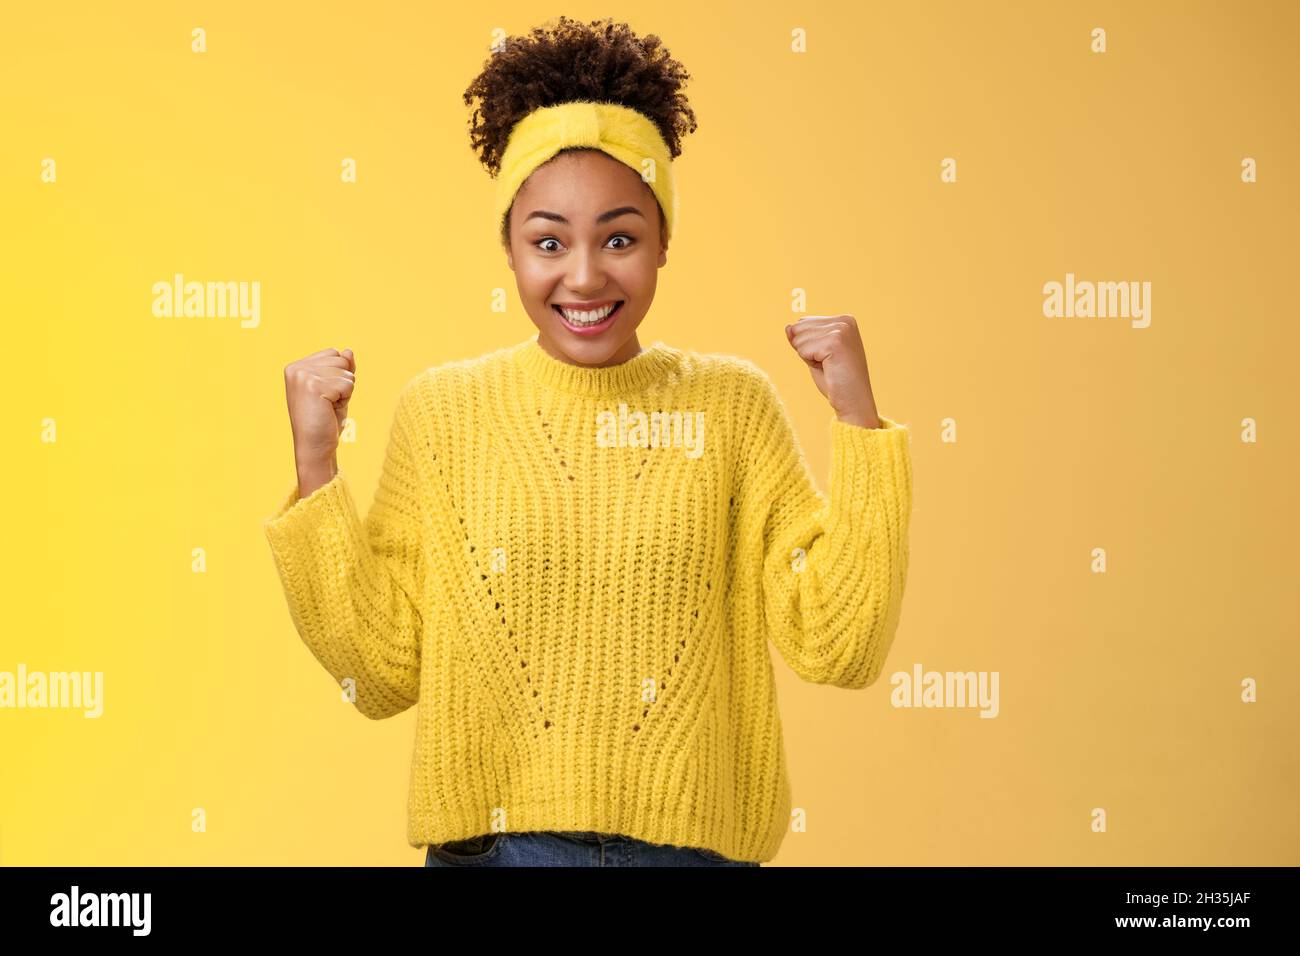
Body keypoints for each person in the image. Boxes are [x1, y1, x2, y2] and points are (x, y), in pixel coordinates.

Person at [264, 15, 913, 868]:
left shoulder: (732, 408)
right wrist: (317, 468)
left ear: (663, 243)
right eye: (547, 241)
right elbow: (382, 671)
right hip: (491, 852)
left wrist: (858, 423)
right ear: (509, 250)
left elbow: (840, 644)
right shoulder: (443, 413)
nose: (583, 275)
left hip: (690, 853)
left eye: (619, 238)